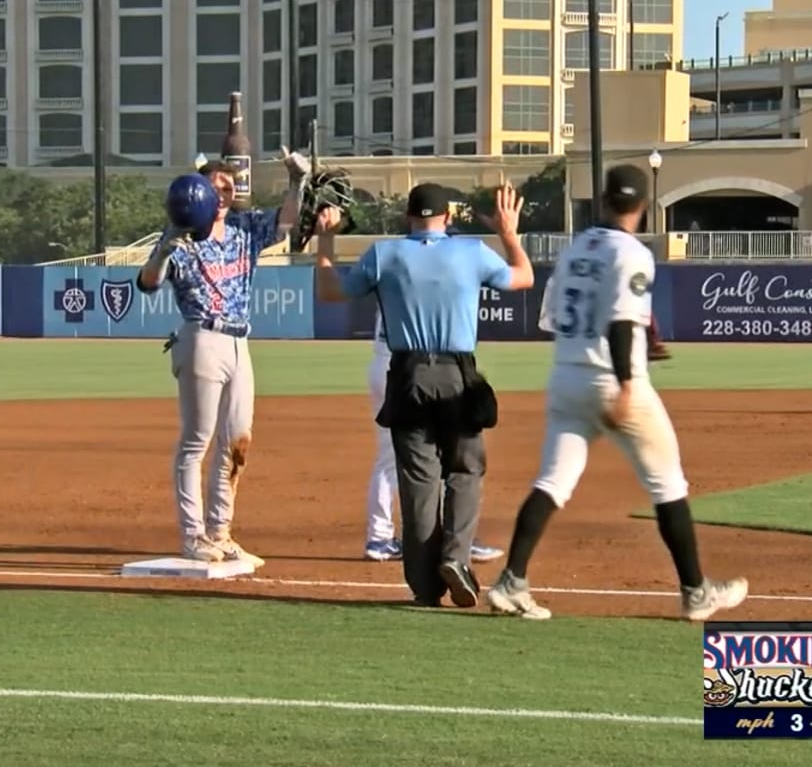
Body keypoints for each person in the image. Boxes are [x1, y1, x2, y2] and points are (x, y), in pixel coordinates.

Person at [484, 164, 748, 622]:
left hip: (567, 375)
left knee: (552, 481)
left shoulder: (575, 248)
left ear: (603, 200)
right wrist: (627, 383)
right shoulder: (634, 253)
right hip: (612, 378)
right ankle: (696, 592)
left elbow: (556, 318)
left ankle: (512, 581)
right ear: (643, 208)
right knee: (668, 484)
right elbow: (623, 321)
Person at [316, 182, 535, 608]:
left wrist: (325, 239)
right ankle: (455, 557)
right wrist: (509, 233)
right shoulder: (471, 251)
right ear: (447, 219)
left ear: (407, 218)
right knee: (465, 470)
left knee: (418, 481)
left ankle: (424, 585)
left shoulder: (387, 254)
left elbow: (329, 291)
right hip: (458, 374)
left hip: (408, 373)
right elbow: (523, 277)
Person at [136, 155, 303, 567]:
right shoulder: (182, 234)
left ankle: (220, 532)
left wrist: (297, 180)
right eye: (216, 187)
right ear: (201, 193)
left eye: (229, 188)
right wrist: (164, 247)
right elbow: (147, 283)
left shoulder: (246, 229)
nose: (224, 194)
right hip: (201, 336)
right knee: (196, 441)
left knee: (237, 441)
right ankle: (193, 535)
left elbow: (288, 220)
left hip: (239, 341)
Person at [363, 307, 505, 564]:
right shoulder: (428, 276)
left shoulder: (392, 269)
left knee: (395, 458)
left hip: (391, 363)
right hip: (411, 367)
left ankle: (384, 537)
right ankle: (451, 541)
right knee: (439, 456)